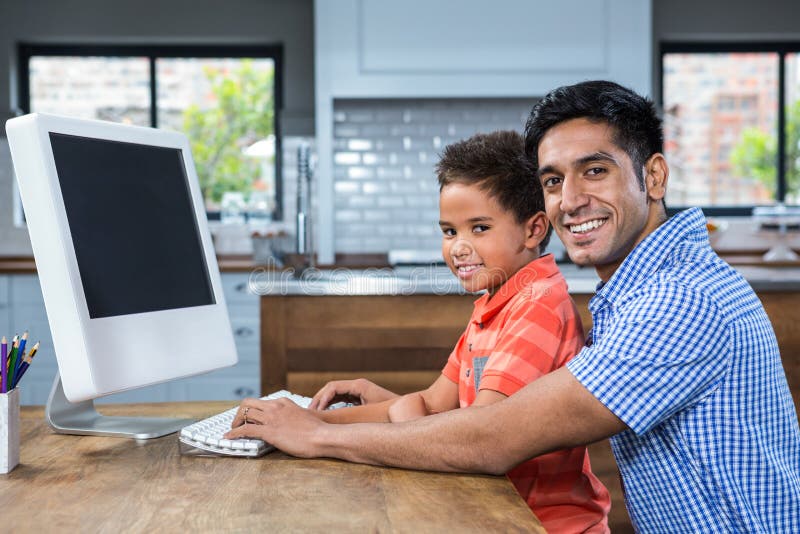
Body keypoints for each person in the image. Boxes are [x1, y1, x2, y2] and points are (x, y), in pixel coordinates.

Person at [228, 81, 800, 533]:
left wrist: (316, 434)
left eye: (594, 170)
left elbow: (490, 437)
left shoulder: (679, 301)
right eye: (553, 181)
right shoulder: (647, 288)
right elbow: (452, 411)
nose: (569, 201)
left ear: (653, 176)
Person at [273, 130, 610, 532]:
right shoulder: (496, 302)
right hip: (498, 512)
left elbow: (479, 434)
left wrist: (322, 432)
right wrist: (311, 420)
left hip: (543, 524)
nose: (458, 247)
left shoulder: (538, 305)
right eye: (450, 231)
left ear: (533, 230)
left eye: (479, 228)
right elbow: (434, 405)